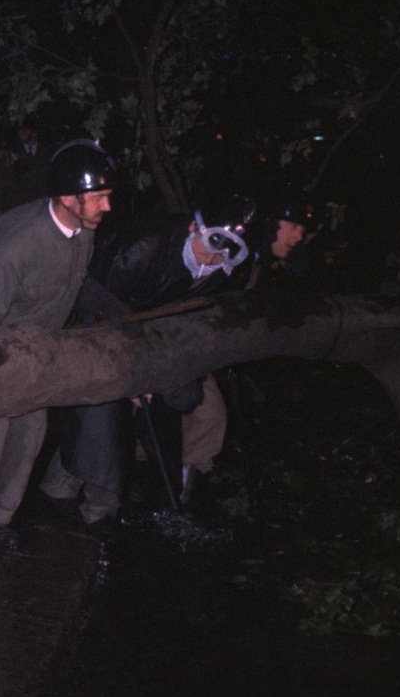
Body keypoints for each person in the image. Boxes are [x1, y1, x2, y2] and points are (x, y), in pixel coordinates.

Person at [41, 191, 256, 525]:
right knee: (100, 419)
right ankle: (69, 501)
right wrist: (131, 372)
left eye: (230, 251)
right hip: (97, 325)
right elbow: (90, 301)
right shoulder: (142, 247)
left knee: (178, 399)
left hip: (151, 338)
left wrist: (158, 370)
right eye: (214, 243)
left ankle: (103, 511)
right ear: (193, 228)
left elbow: (186, 323)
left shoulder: (222, 272)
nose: (214, 259)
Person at [0, 139, 114, 544]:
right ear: (69, 199)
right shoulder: (13, 245)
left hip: (40, 356)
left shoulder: (82, 232)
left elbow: (75, 285)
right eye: (99, 198)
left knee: (27, 441)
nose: (107, 207)